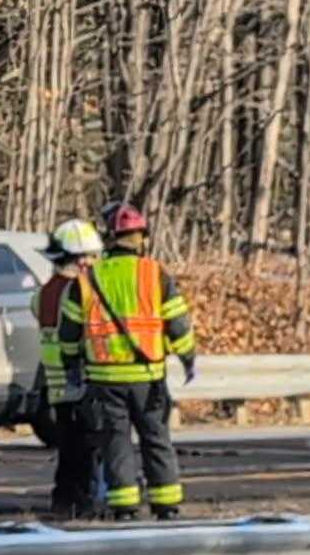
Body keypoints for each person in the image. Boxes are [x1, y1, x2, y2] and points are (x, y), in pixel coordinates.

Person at [59, 203, 195, 521]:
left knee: (115, 442)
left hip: (105, 379)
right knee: (156, 438)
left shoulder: (88, 279)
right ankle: (167, 503)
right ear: (141, 238)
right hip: (148, 377)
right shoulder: (155, 273)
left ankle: (125, 507)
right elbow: (177, 322)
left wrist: (71, 366)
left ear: (109, 238)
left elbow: (68, 330)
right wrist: (187, 357)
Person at [36, 219, 105, 516]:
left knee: (68, 448)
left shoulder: (44, 292)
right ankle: (84, 501)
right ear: (81, 258)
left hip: (56, 384)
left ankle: (64, 501)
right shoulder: (78, 291)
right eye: (91, 257)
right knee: (88, 448)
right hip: (80, 378)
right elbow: (80, 333)